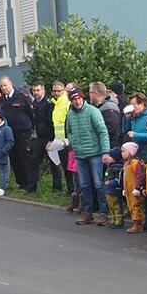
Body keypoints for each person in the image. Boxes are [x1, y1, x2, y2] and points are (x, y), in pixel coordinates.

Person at [63, 84, 107, 222]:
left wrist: (105, 151)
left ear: (83, 98)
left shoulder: (93, 111)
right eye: (74, 99)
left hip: (94, 153)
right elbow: (68, 131)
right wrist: (72, 142)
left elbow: (102, 131)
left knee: (98, 183)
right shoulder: (70, 115)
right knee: (85, 185)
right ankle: (88, 213)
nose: (77, 101)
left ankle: (104, 213)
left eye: (78, 98)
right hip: (79, 154)